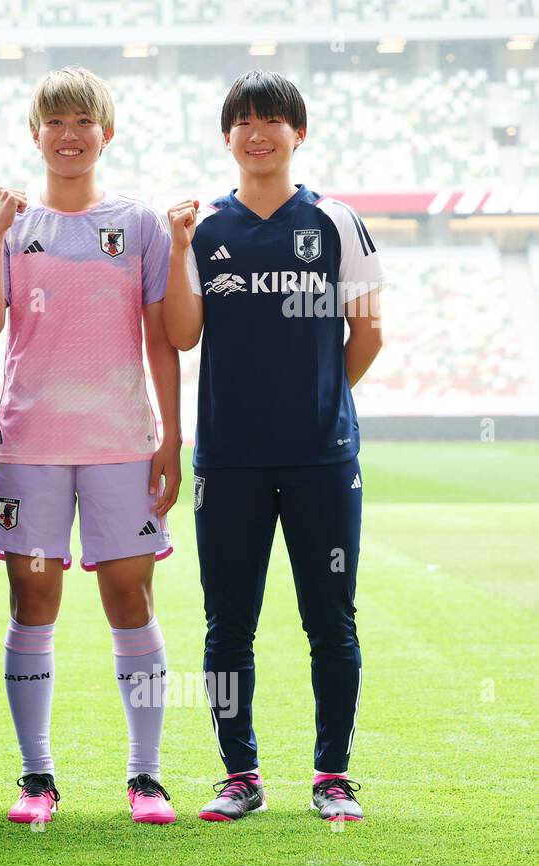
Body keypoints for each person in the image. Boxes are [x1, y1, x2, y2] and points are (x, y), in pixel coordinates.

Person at [162, 70, 385, 823]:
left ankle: (332, 776)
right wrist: (180, 244)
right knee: (228, 622)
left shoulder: (334, 220)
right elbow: (184, 335)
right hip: (228, 460)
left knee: (332, 621)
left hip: (323, 459)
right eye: (243, 122)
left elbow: (369, 332)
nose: (258, 134)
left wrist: (320, 406)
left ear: (300, 133)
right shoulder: (203, 228)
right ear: (227, 137)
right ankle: (240, 776)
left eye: (273, 121)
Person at [0, 66, 182, 826]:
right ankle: (36, 778)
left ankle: (147, 777)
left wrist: (172, 439)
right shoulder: (14, 226)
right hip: (29, 446)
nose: (68, 134)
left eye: (82, 121)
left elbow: (163, 339)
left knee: (130, 597)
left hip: (123, 442)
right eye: (53, 122)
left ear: (105, 132)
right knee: (34, 598)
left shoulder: (143, 223)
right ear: (35, 135)